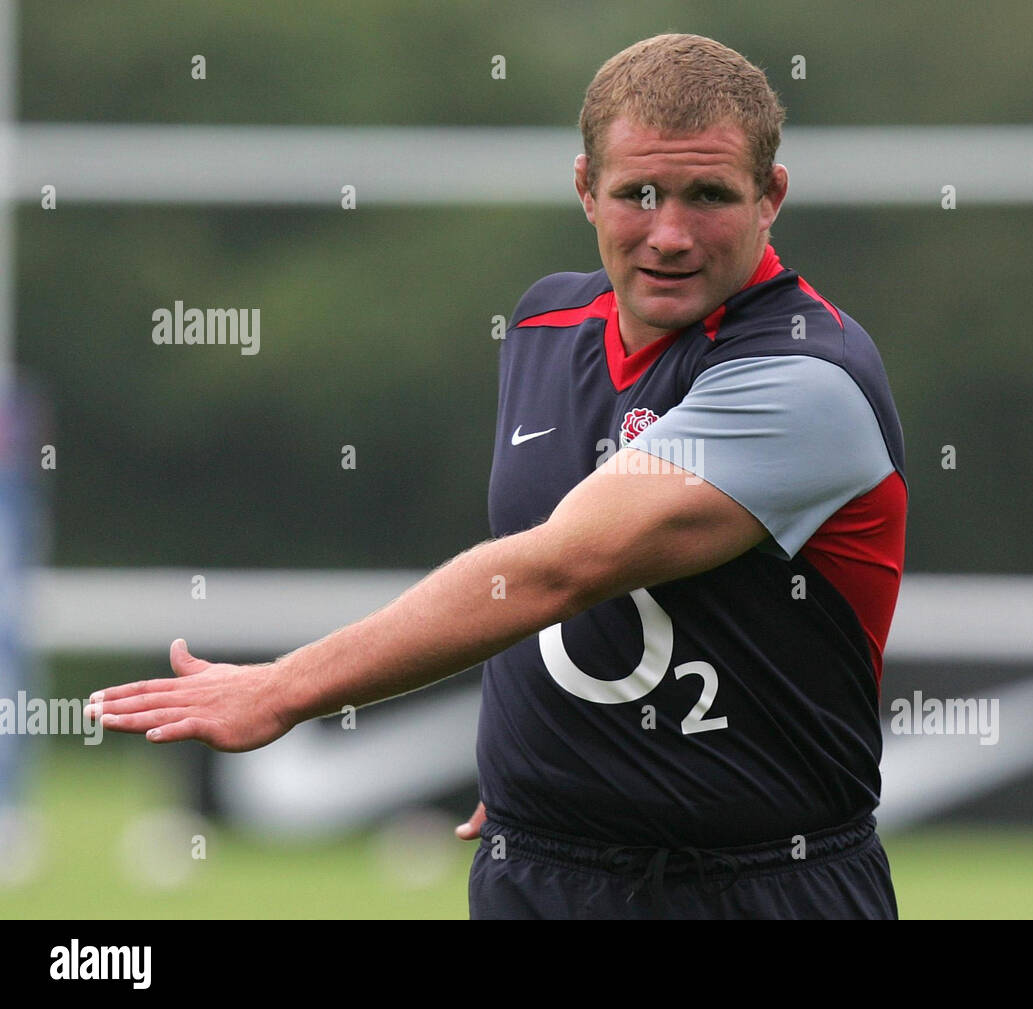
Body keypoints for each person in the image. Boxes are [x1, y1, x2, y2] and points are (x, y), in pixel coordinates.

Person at [87, 33, 908, 920]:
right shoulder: (545, 324)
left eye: (708, 194)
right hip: (541, 875)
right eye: (638, 192)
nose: (669, 233)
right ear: (586, 188)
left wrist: (282, 689)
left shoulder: (805, 377)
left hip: (761, 886)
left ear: (769, 197)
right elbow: (536, 561)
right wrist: (557, 775)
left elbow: (564, 567)